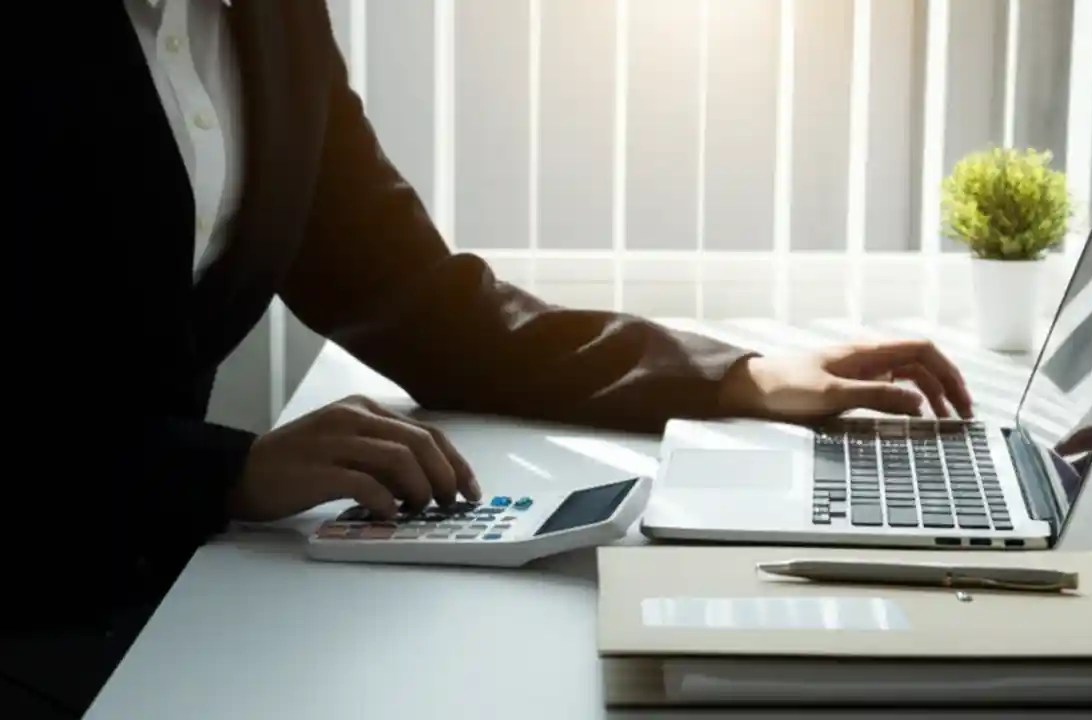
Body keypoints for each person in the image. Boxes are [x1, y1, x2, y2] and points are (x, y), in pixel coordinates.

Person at [8, 2, 972, 716]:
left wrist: (734, 376)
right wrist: (227, 473)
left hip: (158, 584)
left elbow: (419, 300)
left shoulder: (271, 20)